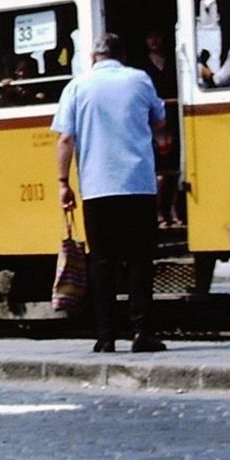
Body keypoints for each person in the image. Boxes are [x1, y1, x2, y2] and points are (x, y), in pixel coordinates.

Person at [53, 32, 169, 354]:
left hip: (97, 188)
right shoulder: (139, 80)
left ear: (93, 57)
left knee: (102, 264)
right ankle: (142, 333)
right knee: (139, 261)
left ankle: (105, 337)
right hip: (138, 185)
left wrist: (63, 182)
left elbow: (65, 139)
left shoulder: (77, 86)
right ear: (123, 55)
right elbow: (159, 122)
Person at [135, 28, 182, 228]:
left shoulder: (174, 61)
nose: (153, 40)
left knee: (174, 168)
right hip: (152, 121)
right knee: (159, 169)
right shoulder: (141, 67)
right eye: (149, 36)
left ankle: (172, 210)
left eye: (157, 35)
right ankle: (159, 214)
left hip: (173, 119)